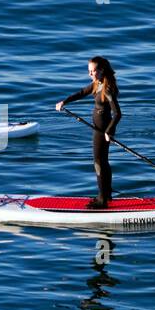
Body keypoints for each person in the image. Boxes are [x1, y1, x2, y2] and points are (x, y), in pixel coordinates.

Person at [56, 56, 122, 208]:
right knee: (102, 162)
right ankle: (106, 195)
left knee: (99, 163)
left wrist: (109, 131)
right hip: (97, 129)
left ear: (101, 70)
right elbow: (81, 92)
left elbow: (117, 113)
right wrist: (64, 101)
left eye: (93, 71)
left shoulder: (107, 88)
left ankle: (102, 200)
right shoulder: (97, 84)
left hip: (102, 130)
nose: (90, 74)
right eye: (89, 71)